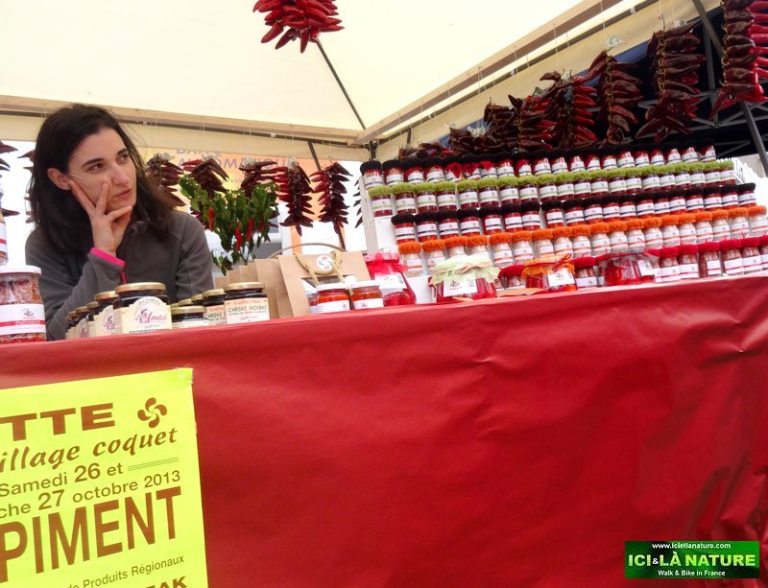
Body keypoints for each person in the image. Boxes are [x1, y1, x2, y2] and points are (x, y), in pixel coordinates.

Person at [26, 104, 214, 340]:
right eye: (97, 166)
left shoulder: (182, 230)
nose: (123, 178)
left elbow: (200, 332)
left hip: (171, 372)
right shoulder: (44, 244)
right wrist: (104, 257)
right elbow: (56, 340)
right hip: (93, 376)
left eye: (123, 157)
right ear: (61, 179)